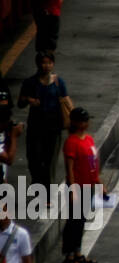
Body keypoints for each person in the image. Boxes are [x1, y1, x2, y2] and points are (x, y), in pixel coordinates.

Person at [19, 51, 71, 190]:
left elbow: (66, 100)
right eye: (43, 62)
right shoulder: (30, 83)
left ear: (53, 64)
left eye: (49, 63)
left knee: (49, 161)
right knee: (34, 159)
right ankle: (37, 183)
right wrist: (29, 100)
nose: (46, 66)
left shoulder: (59, 82)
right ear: (38, 64)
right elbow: (20, 102)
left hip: (54, 128)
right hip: (35, 127)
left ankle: (46, 192)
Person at [60, 107, 100, 263]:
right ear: (75, 122)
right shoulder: (72, 142)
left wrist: (98, 182)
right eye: (83, 120)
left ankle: (77, 252)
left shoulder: (89, 139)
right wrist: (73, 190)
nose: (86, 123)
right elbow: (69, 168)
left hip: (88, 185)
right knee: (74, 223)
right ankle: (69, 256)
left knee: (81, 221)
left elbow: (93, 163)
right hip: (77, 187)